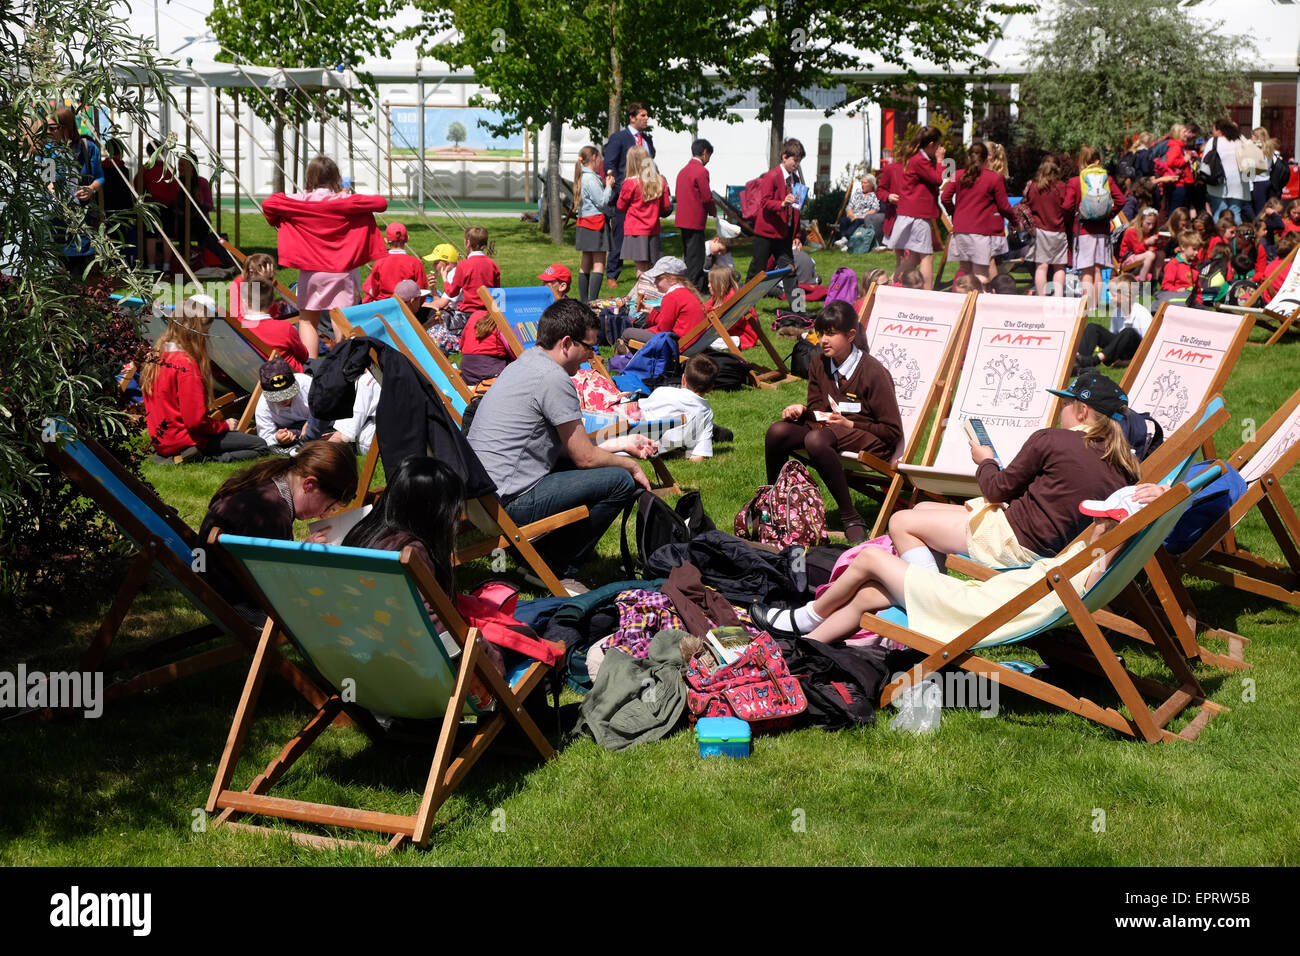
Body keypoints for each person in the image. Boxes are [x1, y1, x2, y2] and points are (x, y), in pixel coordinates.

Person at [749, 482, 1166, 646]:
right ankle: (808, 646)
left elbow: (1102, 548)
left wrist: (1112, 531)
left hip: (972, 611)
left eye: (1101, 519)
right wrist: (1155, 494)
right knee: (870, 594)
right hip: (983, 600)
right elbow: (1103, 545)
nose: (1093, 522)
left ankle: (803, 619)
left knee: (873, 558)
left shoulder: (1087, 569)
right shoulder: (1092, 561)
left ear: (1114, 528)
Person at [466, 298, 657, 590]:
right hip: (507, 505)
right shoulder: (554, 379)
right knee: (621, 481)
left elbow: (569, 447)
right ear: (567, 342)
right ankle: (553, 565)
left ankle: (541, 554)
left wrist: (623, 443)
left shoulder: (525, 363)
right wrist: (629, 464)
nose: (592, 356)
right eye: (589, 347)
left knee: (601, 470)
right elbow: (585, 459)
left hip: (480, 499)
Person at [880, 371, 1139, 576]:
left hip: (1017, 543)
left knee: (901, 521)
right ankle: (929, 581)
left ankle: (927, 601)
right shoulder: (1126, 465)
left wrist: (986, 461)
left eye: (1065, 404)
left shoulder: (1053, 440)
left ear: (1082, 410)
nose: (1062, 411)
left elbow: (995, 491)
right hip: (1057, 546)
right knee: (923, 508)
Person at [763, 299, 903, 544]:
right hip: (830, 430)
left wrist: (852, 425)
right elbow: (821, 413)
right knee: (778, 432)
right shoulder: (818, 363)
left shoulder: (873, 372)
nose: (823, 340)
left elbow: (891, 431)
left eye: (830, 333)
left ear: (851, 335)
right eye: (820, 333)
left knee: (816, 439)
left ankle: (851, 517)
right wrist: (804, 412)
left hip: (872, 439)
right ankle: (775, 506)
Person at [197, 442, 358, 608]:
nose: (324, 514)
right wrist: (306, 558)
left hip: (216, 587)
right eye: (329, 507)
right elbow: (279, 587)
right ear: (309, 485)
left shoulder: (268, 485)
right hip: (239, 605)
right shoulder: (270, 514)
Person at [262, 155, 387, 357]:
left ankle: (310, 366)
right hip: (342, 271)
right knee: (342, 319)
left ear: (310, 176)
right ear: (336, 176)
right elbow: (380, 203)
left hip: (311, 272)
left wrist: (289, 208)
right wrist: (347, 195)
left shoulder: (299, 201)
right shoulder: (345, 201)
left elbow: (269, 204)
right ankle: (342, 363)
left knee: (307, 319)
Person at [142, 298, 270, 463]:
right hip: (186, 440)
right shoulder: (185, 365)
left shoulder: (158, 354)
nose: (207, 337)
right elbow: (195, 422)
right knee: (260, 446)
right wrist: (224, 426)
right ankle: (205, 458)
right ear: (194, 333)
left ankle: (180, 457)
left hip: (163, 440)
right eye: (206, 332)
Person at [941, 142, 1015, 283]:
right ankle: (985, 302)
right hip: (981, 231)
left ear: (968, 157)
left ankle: (963, 300)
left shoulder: (956, 175)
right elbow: (1004, 206)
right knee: (982, 274)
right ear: (987, 158)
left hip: (961, 230)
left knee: (965, 271)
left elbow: (945, 197)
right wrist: (1015, 222)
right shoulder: (994, 178)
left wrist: (954, 212)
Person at [1064, 145, 1125, 310]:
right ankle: (1095, 306)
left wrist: (1071, 221)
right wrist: (1109, 215)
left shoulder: (1075, 181)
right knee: (1098, 269)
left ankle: (1087, 305)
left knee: (1086, 270)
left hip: (1083, 230)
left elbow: (1067, 205)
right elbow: (1121, 200)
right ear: (1098, 161)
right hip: (1103, 230)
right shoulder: (1107, 179)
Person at [745, 137, 806, 300]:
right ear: (784, 157)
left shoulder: (796, 180)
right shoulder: (771, 176)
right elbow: (764, 202)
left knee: (790, 271)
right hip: (766, 233)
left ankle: (798, 310)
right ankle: (742, 306)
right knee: (757, 270)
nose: (797, 164)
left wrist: (797, 235)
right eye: (795, 160)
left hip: (784, 234)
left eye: (799, 161)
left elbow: (797, 210)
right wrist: (782, 203)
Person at [603, 102, 655, 287]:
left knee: (648, 235)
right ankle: (612, 274)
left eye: (646, 115)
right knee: (620, 235)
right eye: (642, 115)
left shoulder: (647, 140)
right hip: (625, 197)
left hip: (647, 196)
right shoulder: (619, 138)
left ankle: (646, 274)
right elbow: (609, 164)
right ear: (632, 117)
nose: (646, 118)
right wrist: (620, 188)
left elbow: (651, 165)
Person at [886, 127, 945, 290]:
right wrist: (940, 161)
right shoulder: (920, 160)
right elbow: (937, 179)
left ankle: (889, 283)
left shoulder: (915, 158)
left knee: (914, 258)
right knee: (926, 257)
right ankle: (927, 292)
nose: (940, 149)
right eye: (938, 145)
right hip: (917, 215)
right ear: (931, 144)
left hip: (911, 213)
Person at [446, 225, 505, 385]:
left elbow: (451, 293)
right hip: (488, 314)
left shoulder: (464, 265)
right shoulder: (492, 264)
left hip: (468, 315)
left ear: (467, 243)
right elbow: (497, 292)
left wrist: (445, 279)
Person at [635, 354, 718, 462]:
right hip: (654, 447)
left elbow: (638, 408)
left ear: (683, 378)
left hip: (630, 432)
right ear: (710, 388)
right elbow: (699, 456)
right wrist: (676, 454)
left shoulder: (663, 391)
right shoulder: (706, 414)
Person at [619, 256, 707, 348]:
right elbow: (669, 322)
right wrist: (652, 312)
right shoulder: (686, 292)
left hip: (678, 344)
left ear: (673, 279)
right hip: (691, 344)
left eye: (658, 278)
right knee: (641, 331)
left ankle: (626, 361)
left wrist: (647, 330)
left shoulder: (672, 297)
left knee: (628, 333)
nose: (654, 281)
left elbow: (663, 330)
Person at [1074, 273, 1152, 372]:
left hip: (1135, 353)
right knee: (1093, 327)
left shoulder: (1142, 314)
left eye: (1114, 295)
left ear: (1127, 296)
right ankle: (1080, 362)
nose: (1110, 298)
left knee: (1129, 332)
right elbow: (1115, 339)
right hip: (1120, 350)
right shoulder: (1117, 311)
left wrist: (1128, 362)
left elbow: (1150, 347)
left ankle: (1096, 360)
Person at [616, 145, 671, 278]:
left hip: (635, 230)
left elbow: (620, 206)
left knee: (641, 269)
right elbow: (666, 206)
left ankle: (640, 297)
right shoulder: (659, 180)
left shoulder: (630, 183)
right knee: (652, 268)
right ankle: (652, 296)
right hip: (653, 229)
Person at [254, 358, 326, 453]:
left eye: (288, 394)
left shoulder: (307, 384)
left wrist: (311, 422)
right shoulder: (263, 407)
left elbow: (326, 405)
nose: (283, 399)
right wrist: (277, 438)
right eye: (277, 397)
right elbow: (265, 437)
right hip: (293, 431)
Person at [1023, 155, 1070, 297]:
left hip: (1040, 231)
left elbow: (1027, 203)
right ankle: (1058, 297)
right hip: (1059, 231)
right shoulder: (1062, 186)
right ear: (1058, 169)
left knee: (1041, 267)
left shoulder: (1033, 186)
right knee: (1059, 267)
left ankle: (1041, 298)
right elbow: (1067, 206)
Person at [239, 278, 310, 372]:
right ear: (272, 302)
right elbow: (304, 356)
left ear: (244, 302)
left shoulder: (237, 330)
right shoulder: (284, 328)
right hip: (292, 376)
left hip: (257, 377)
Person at [573, 145, 615, 303]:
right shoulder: (591, 178)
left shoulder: (583, 176)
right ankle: (592, 301)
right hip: (595, 222)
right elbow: (602, 202)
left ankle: (584, 301)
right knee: (598, 263)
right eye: (600, 159)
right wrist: (609, 186)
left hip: (585, 222)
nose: (601, 162)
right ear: (595, 158)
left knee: (585, 262)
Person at [675, 139, 716, 292]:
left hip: (683, 218)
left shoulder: (683, 171)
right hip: (695, 219)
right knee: (697, 257)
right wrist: (713, 212)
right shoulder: (701, 171)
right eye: (709, 156)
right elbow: (706, 196)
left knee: (688, 254)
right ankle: (694, 287)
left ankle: (689, 283)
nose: (708, 160)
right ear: (704, 153)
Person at [361, 222, 429, 303]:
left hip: (385, 306)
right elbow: (421, 289)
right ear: (407, 238)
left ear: (386, 240)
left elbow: (375, 290)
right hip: (408, 308)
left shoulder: (379, 262)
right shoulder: (415, 263)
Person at [1205, 118, 1252, 222]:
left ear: (1219, 130)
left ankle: (1219, 237)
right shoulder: (1241, 140)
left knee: (1219, 212)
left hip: (1218, 184)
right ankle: (1238, 237)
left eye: (1214, 129)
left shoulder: (1214, 141)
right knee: (1235, 213)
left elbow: (1205, 161)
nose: (1213, 132)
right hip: (1239, 184)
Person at [703, 264, 758, 348]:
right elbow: (705, 309)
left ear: (721, 284)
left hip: (742, 338)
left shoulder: (733, 299)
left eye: (711, 282)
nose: (708, 285)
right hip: (727, 333)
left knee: (705, 342)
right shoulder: (717, 296)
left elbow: (729, 324)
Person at [834, 172, 884, 250]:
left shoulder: (875, 195)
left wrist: (859, 216)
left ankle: (845, 240)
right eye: (861, 183)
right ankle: (844, 241)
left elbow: (875, 209)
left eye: (865, 183)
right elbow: (849, 207)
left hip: (866, 218)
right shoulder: (858, 193)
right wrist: (852, 215)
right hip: (854, 217)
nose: (862, 185)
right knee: (843, 220)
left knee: (857, 221)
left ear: (871, 184)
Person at [1117, 207, 1165, 281]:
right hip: (1128, 259)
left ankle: (1154, 282)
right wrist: (1147, 243)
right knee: (1150, 255)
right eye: (1148, 223)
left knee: (1161, 254)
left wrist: (1159, 243)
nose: (1151, 227)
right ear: (1141, 220)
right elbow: (1137, 250)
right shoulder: (1132, 231)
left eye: (1153, 224)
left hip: (1142, 257)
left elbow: (1153, 249)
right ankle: (1142, 286)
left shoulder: (1150, 232)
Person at [1159, 230, 1202, 303]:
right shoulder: (1173, 264)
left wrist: (1198, 302)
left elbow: (1198, 290)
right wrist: (1176, 290)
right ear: (1183, 247)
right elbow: (1165, 285)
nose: (1197, 252)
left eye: (1198, 249)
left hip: (1191, 301)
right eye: (1194, 249)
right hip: (1176, 299)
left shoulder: (1193, 266)